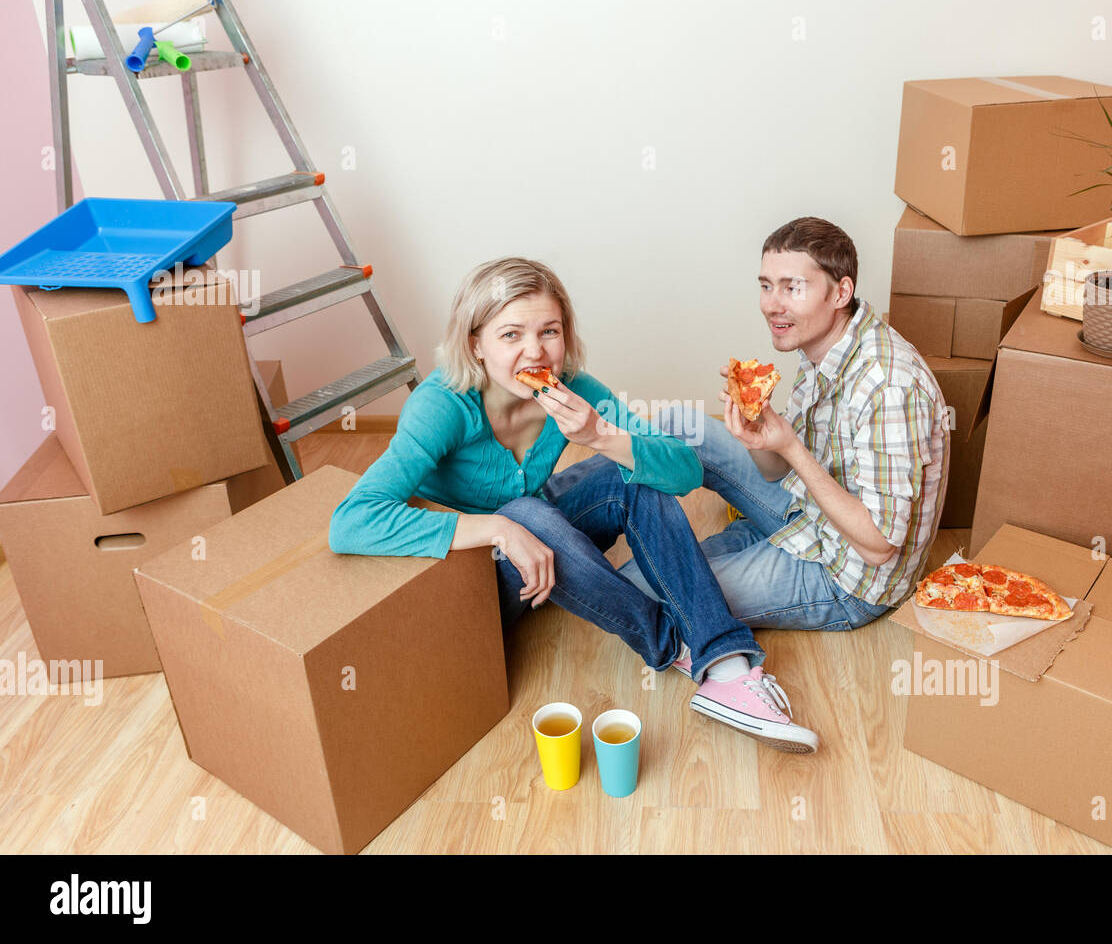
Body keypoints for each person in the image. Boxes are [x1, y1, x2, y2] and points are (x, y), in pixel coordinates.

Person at [328, 257, 820, 752]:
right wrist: (498, 529)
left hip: (539, 543)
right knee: (526, 514)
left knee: (633, 476)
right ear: (474, 344)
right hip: (471, 580)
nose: (534, 351)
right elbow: (351, 521)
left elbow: (684, 472)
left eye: (549, 332)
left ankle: (726, 666)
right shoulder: (442, 406)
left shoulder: (574, 390)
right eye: (511, 335)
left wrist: (601, 436)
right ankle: (673, 642)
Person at [609, 216, 949, 636]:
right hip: (808, 512)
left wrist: (789, 447)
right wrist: (754, 431)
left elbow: (879, 546)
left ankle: (711, 549)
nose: (772, 304)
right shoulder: (824, 343)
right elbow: (774, 471)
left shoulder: (889, 388)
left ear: (841, 291)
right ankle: (591, 518)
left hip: (848, 577)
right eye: (766, 285)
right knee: (677, 422)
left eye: (793, 287)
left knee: (635, 588)